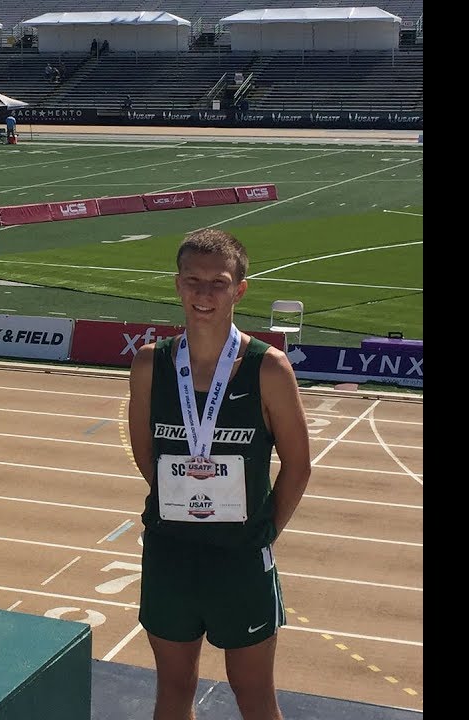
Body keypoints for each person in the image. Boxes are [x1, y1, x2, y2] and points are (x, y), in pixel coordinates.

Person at [126, 228, 311, 720]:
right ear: (177, 284)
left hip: (239, 557)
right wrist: (182, 494)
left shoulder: (267, 368)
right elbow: (146, 453)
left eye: (218, 283)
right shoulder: (150, 364)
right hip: (171, 551)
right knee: (173, 690)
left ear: (239, 290)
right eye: (193, 281)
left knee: (253, 697)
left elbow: (298, 464)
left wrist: (266, 532)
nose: (204, 294)